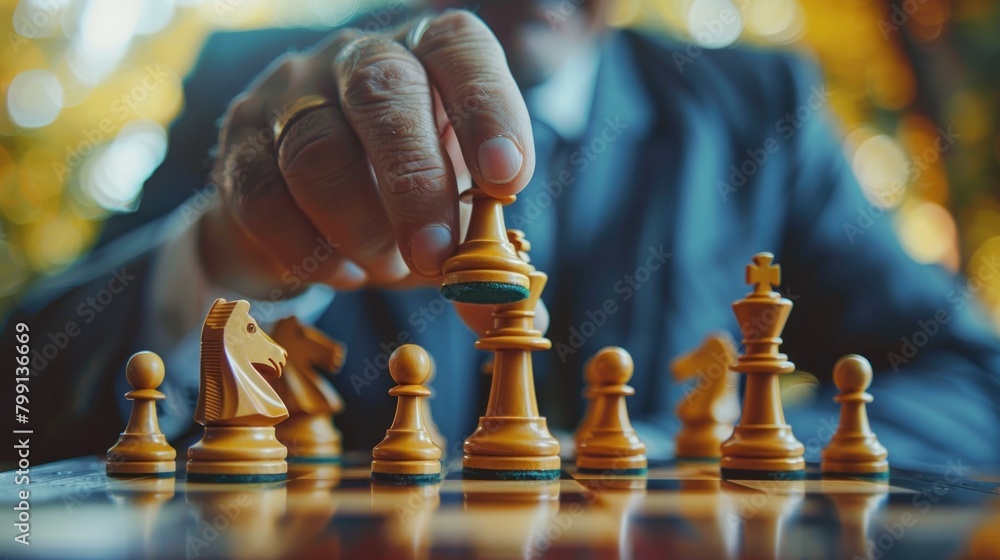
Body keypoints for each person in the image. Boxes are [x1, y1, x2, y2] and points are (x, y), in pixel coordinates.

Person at [4, 0, 999, 469]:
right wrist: (222, 258)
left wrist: (741, 445)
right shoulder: (256, 84)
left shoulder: (759, 110)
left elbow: (973, 383)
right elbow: (16, 396)